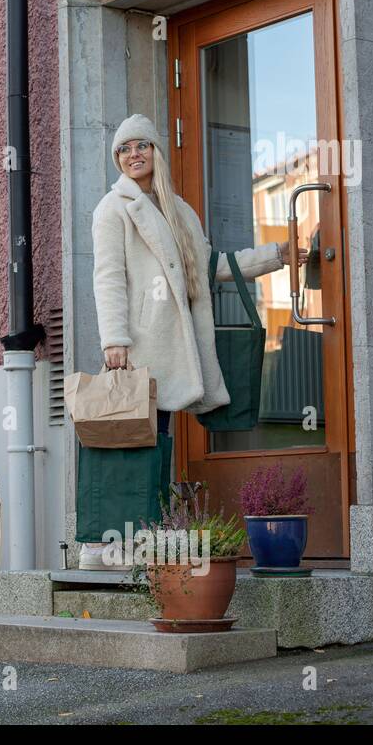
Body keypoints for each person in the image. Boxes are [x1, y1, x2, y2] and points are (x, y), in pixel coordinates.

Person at [79, 114, 307, 570]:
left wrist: (275, 256)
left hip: (175, 342)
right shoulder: (112, 208)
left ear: (156, 152)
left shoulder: (179, 210)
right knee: (134, 439)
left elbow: (210, 267)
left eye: (141, 145)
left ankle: (130, 540)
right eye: (124, 150)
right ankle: (106, 544)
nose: (133, 155)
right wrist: (115, 340)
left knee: (153, 437)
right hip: (140, 341)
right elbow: (108, 277)